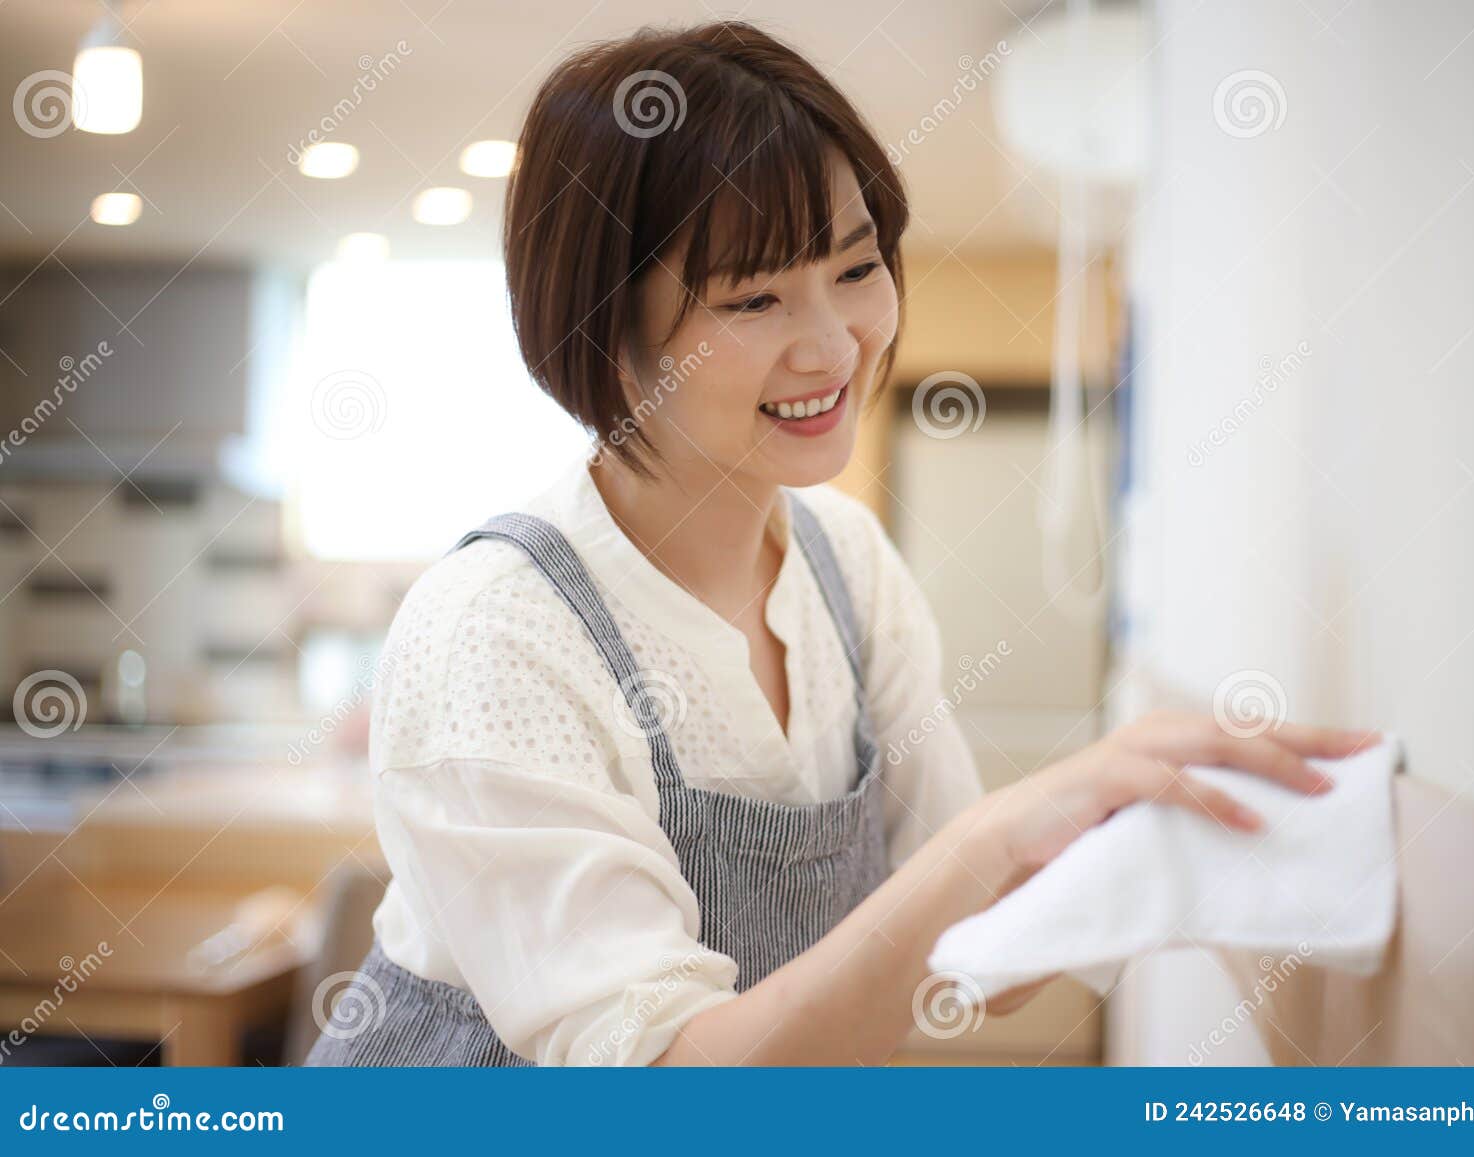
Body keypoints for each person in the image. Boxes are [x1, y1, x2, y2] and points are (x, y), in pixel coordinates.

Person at [303, 19, 1374, 1067]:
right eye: (755, 296)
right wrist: (991, 836)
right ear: (611, 339)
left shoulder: (844, 566)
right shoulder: (496, 635)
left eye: (857, 268)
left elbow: (971, 957)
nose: (834, 345)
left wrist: (1174, 831)